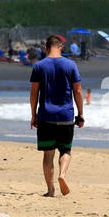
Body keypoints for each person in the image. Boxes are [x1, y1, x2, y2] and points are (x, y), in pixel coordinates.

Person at [29, 34, 84, 197]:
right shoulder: (71, 65)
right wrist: (80, 114)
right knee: (66, 151)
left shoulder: (39, 66)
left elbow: (34, 94)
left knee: (48, 154)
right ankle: (62, 175)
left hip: (46, 116)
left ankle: (50, 190)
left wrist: (33, 115)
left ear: (46, 48)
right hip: (66, 116)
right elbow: (78, 91)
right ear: (61, 47)